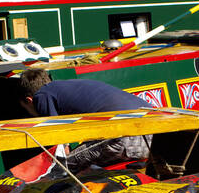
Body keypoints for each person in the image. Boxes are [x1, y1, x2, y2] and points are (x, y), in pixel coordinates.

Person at [16, 68, 152, 169]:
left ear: (29, 101)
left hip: (125, 139)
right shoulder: (67, 87)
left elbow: (60, 146)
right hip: (152, 137)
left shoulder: (42, 95)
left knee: (62, 167)